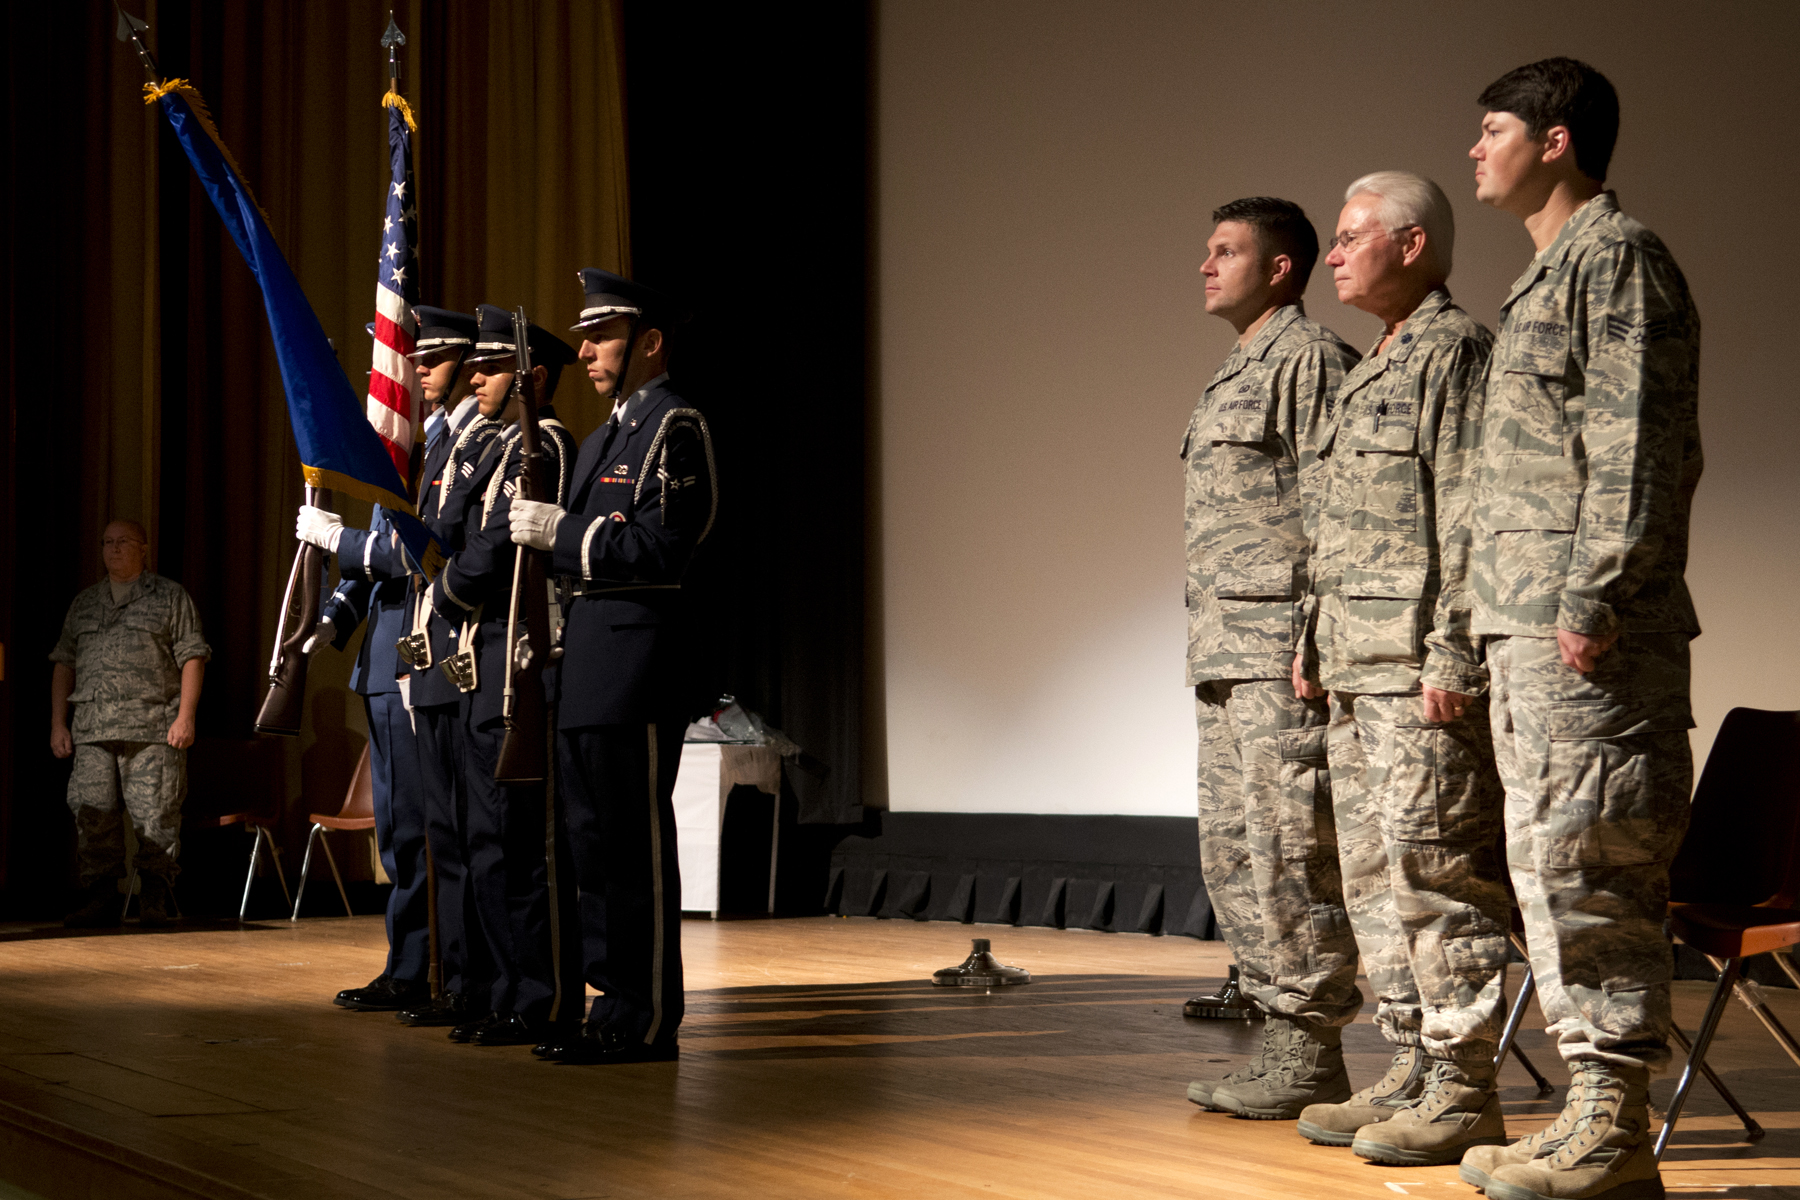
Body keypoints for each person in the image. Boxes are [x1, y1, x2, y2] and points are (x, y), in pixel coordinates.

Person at [1452, 59, 1702, 1200]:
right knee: (1550, 869)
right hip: (1527, 630)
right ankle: (1588, 1115)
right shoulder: (1546, 278)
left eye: (1493, 128)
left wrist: (1595, 593)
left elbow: (1640, 447)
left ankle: (1611, 1126)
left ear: (1555, 141)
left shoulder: (1617, 259)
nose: (1474, 149)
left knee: (1593, 867)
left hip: (1585, 635)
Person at [1292, 172, 1511, 1165]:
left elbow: (1471, 512)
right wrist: (1312, 641)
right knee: (1375, 884)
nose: (1333, 255)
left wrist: (1455, 653)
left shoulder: (1453, 352)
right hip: (1354, 662)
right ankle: (1415, 1062)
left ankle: (1465, 1087)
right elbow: (1342, 525)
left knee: (1436, 878)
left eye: (1349, 238)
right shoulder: (1369, 362)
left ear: (1411, 244)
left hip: (1417, 666)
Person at [1180, 200, 1363, 1117]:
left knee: (1293, 852)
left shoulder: (1311, 362)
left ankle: (1311, 1046)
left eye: (1226, 251)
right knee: (1234, 852)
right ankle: (1283, 1039)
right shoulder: (1235, 371)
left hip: (1282, 660)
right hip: (1225, 656)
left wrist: (1318, 637)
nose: (1206, 265)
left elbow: (1342, 511)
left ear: (1283, 267)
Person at [508, 268, 717, 1065]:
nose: (587, 350)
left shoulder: (677, 427)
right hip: (587, 666)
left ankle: (649, 1016)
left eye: (602, 336)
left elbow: (670, 549)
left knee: (637, 852)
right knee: (595, 851)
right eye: (587, 336)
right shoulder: (602, 439)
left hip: (640, 666)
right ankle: (610, 1005)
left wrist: (563, 532)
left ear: (650, 343)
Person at [296, 306, 479, 1013]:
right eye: (411, 360)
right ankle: (407, 960)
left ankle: (428, 967)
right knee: (400, 834)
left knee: (421, 827)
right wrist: (334, 619)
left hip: (423, 650)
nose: (412, 373)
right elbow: (378, 556)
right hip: (381, 652)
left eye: (424, 361)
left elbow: (414, 552)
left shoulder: (446, 451)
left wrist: (337, 540)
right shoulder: (402, 448)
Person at [427, 304, 580, 1047]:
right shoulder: (490, 445)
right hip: (478, 648)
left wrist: (449, 583)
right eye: (477, 367)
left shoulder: (542, 442)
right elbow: (455, 521)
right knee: (481, 833)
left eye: (490, 368)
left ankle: (539, 994)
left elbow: (487, 548)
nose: (476, 377)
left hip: (515, 648)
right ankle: (499, 986)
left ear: (534, 379)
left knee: (517, 841)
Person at [397, 317, 507, 1032]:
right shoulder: (447, 444)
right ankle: (458, 980)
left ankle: (491, 985)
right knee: (445, 830)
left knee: (479, 833)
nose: (433, 371)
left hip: (467, 641)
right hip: (433, 647)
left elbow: (476, 543)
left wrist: (442, 592)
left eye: (441, 358)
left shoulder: (498, 443)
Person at [50, 519, 210, 928]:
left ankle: (154, 897)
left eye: (123, 542)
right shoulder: (85, 603)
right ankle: (101, 897)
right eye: (107, 542)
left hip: (153, 728)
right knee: (94, 818)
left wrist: (185, 716)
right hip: (92, 729)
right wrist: (58, 723)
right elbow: (64, 662)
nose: (114, 549)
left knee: (156, 816)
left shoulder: (170, 597)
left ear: (143, 549)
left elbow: (192, 655)